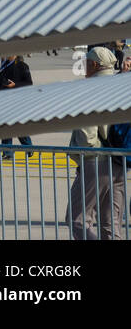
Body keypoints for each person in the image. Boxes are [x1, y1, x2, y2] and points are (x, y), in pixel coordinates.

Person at [66, 46, 126, 240]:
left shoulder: (91, 90)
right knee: (111, 223)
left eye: (85, 62)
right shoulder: (120, 87)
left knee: (77, 220)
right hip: (118, 163)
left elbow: (87, 136)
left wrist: (87, 160)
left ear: (93, 64)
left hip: (96, 161)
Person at [0, 55, 34, 156]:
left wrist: (15, 85)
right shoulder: (4, 65)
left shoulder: (22, 66)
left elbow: (29, 83)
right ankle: (7, 152)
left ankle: (29, 148)